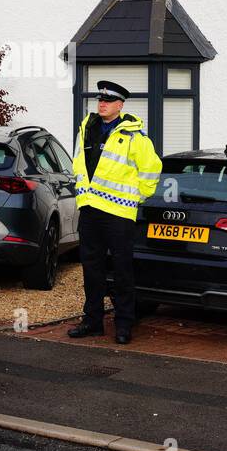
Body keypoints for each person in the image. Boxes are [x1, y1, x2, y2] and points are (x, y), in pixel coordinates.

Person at [67, 80, 162, 345]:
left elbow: (152, 170)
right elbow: (78, 162)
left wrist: (136, 196)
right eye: (100, 100)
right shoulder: (87, 128)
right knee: (91, 269)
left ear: (120, 105)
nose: (102, 104)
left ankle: (123, 325)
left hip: (119, 214)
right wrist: (82, 195)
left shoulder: (134, 136)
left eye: (108, 101)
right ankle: (93, 321)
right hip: (90, 210)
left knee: (122, 271)